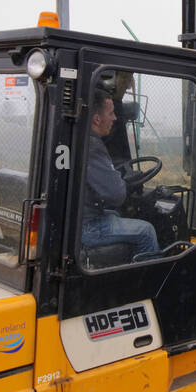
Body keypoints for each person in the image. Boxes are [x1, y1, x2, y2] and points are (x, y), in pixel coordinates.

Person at [82, 88, 158, 263]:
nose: (115, 118)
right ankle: (149, 283)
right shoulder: (93, 147)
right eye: (111, 113)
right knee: (147, 231)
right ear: (96, 119)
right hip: (88, 227)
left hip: (82, 220)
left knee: (114, 215)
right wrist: (126, 185)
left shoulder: (84, 140)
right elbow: (116, 195)